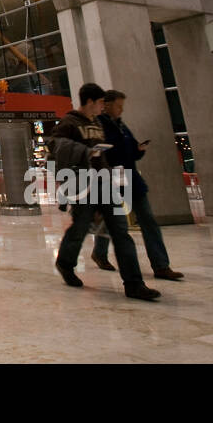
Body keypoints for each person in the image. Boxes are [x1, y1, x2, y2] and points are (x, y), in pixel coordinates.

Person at [50, 82, 160, 301]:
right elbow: (55, 145)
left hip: (105, 184)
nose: (103, 106)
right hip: (83, 185)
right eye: (101, 102)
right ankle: (65, 262)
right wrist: (84, 152)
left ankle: (134, 283)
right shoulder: (69, 122)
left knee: (120, 230)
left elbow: (103, 156)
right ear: (90, 101)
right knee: (80, 227)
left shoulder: (98, 124)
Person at [91, 90, 184, 281]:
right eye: (118, 105)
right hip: (114, 177)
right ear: (106, 105)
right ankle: (100, 253)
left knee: (147, 219)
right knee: (115, 219)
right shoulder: (99, 125)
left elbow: (130, 150)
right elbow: (101, 154)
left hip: (132, 178)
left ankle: (161, 265)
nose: (121, 109)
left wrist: (138, 150)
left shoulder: (122, 126)